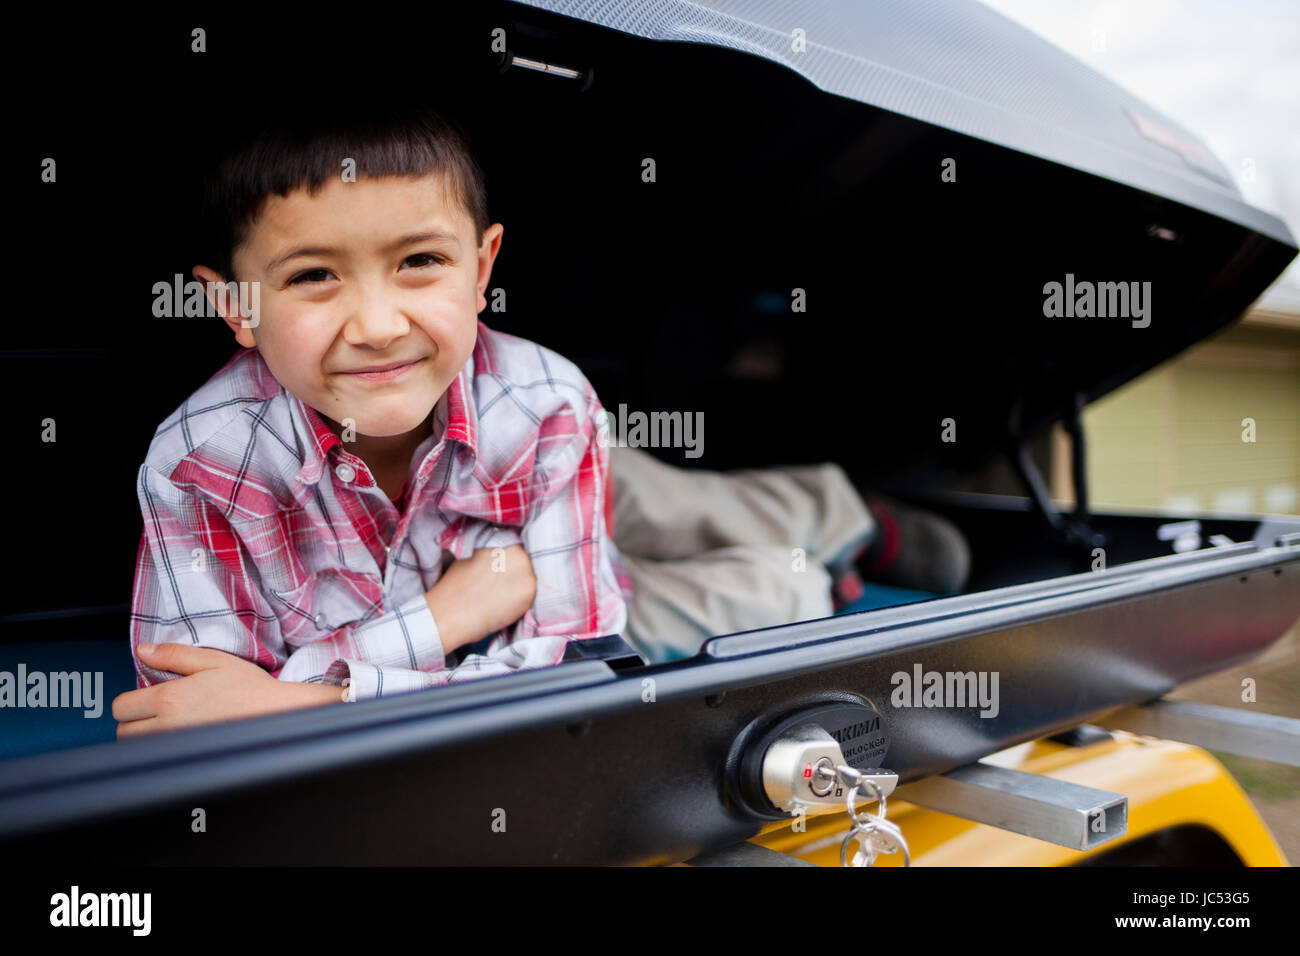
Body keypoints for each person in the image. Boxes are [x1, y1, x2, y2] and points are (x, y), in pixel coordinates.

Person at [114, 103, 967, 736]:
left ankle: (847, 514)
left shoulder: (550, 404)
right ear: (235, 306)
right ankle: (823, 568)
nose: (375, 325)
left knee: (665, 503)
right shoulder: (200, 463)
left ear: (481, 267)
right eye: (312, 278)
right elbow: (199, 711)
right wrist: (448, 620)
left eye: (419, 261)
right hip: (507, 567)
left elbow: (257, 705)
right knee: (782, 590)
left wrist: (295, 695)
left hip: (524, 451)